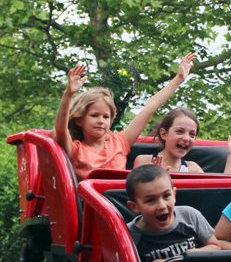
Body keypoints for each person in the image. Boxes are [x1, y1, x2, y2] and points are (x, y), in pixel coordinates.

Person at [55, 53, 195, 180]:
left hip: (119, 204)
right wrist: (68, 94)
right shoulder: (75, 148)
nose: (100, 121)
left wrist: (179, 79)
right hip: (90, 205)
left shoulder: (119, 143)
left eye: (106, 117)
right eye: (94, 115)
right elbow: (61, 129)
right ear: (79, 120)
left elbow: (149, 108)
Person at [125, 164, 229, 262]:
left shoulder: (189, 215)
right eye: (150, 200)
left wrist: (194, 254)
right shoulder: (129, 235)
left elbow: (216, 246)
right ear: (135, 206)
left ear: (174, 194)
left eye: (166, 196)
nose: (162, 206)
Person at [132, 107, 231, 174]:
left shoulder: (193, 169)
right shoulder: (144, 162)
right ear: (164, 134)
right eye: (180, 131)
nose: (186, 138)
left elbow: (218, 193)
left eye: (192, 134)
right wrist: (155, 176)